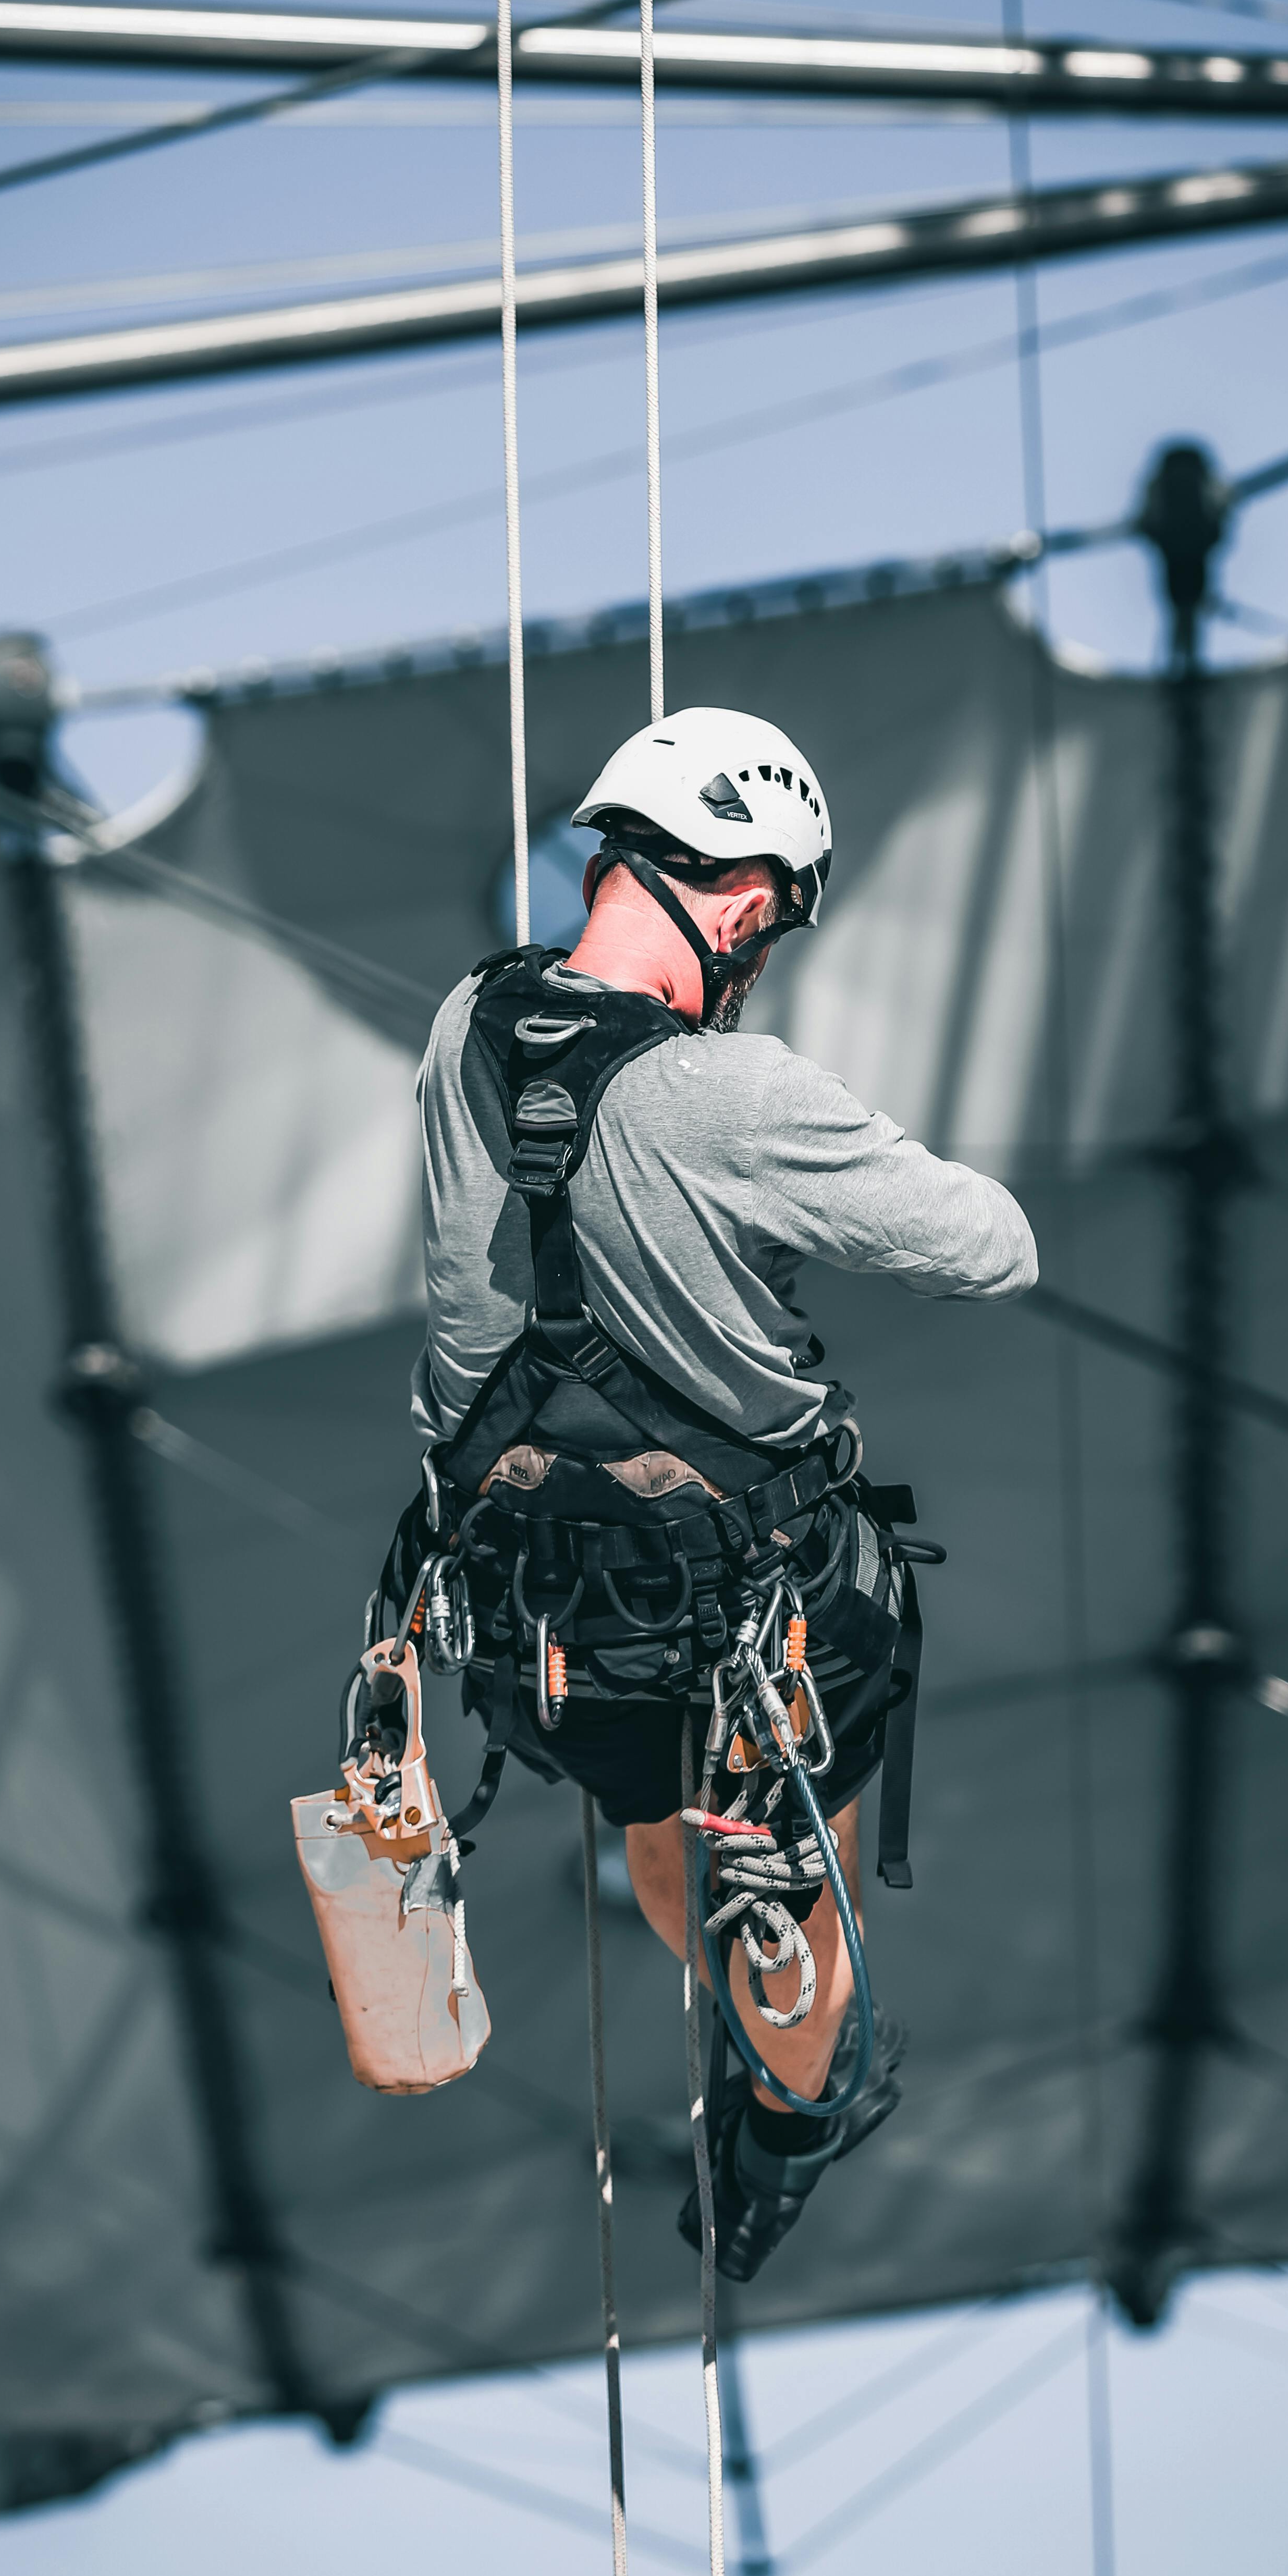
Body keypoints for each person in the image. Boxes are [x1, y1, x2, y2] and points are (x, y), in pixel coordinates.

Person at [400, 706, 1037, 2275]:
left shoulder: (458, 1028)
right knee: (784, 1768)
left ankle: (715, 1892)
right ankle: (803, 2094)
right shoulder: (739, 1097)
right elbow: (993, 1244)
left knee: (653, 1797)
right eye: (774, 923)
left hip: (531, 1621)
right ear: (747, 900)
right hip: (753, 1616)